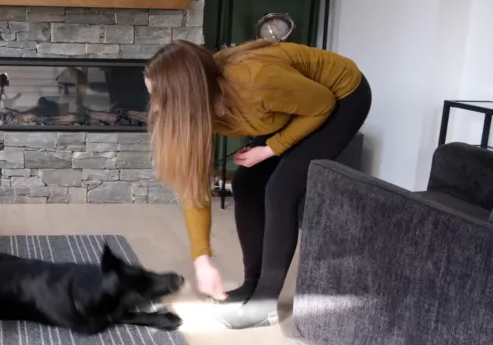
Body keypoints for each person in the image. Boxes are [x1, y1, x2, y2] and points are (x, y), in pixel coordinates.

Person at [143, 39, 372, 329]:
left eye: (160, 97)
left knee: (280, 190)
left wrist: (271, 148)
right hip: (289, 107)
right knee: (247, 184)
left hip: (340, 97)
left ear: (187, 94)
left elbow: (322, 104)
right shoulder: (199, 109)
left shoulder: (254, 82)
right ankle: (252, 284)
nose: (157, 108)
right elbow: (193, 186)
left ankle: (265, 303)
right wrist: (202, 258)